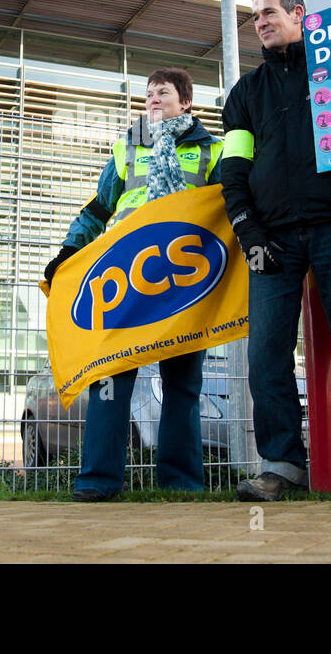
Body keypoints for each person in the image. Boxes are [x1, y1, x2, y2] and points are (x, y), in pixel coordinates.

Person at [221, 0, 331, 502]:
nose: (261, 22)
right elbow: (234, 171)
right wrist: (248, 230)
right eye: (255, 17)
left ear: (300, 14)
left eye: (269, 12)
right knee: (267, 353)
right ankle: (281, 468)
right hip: (271, 237)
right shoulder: (245, 94)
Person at [44, 67, 223, 501]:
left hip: (184, 277)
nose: (153, 100)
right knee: (110, 376)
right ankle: (97, 483)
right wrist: (68, 253)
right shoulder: (127, 146)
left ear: (186, 102)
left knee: (182, 383)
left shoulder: (213, 150)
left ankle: (181, 485)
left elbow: (227, 206)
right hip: (125, 276)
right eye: (147, 94)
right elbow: (98, 208)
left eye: (163, 92)